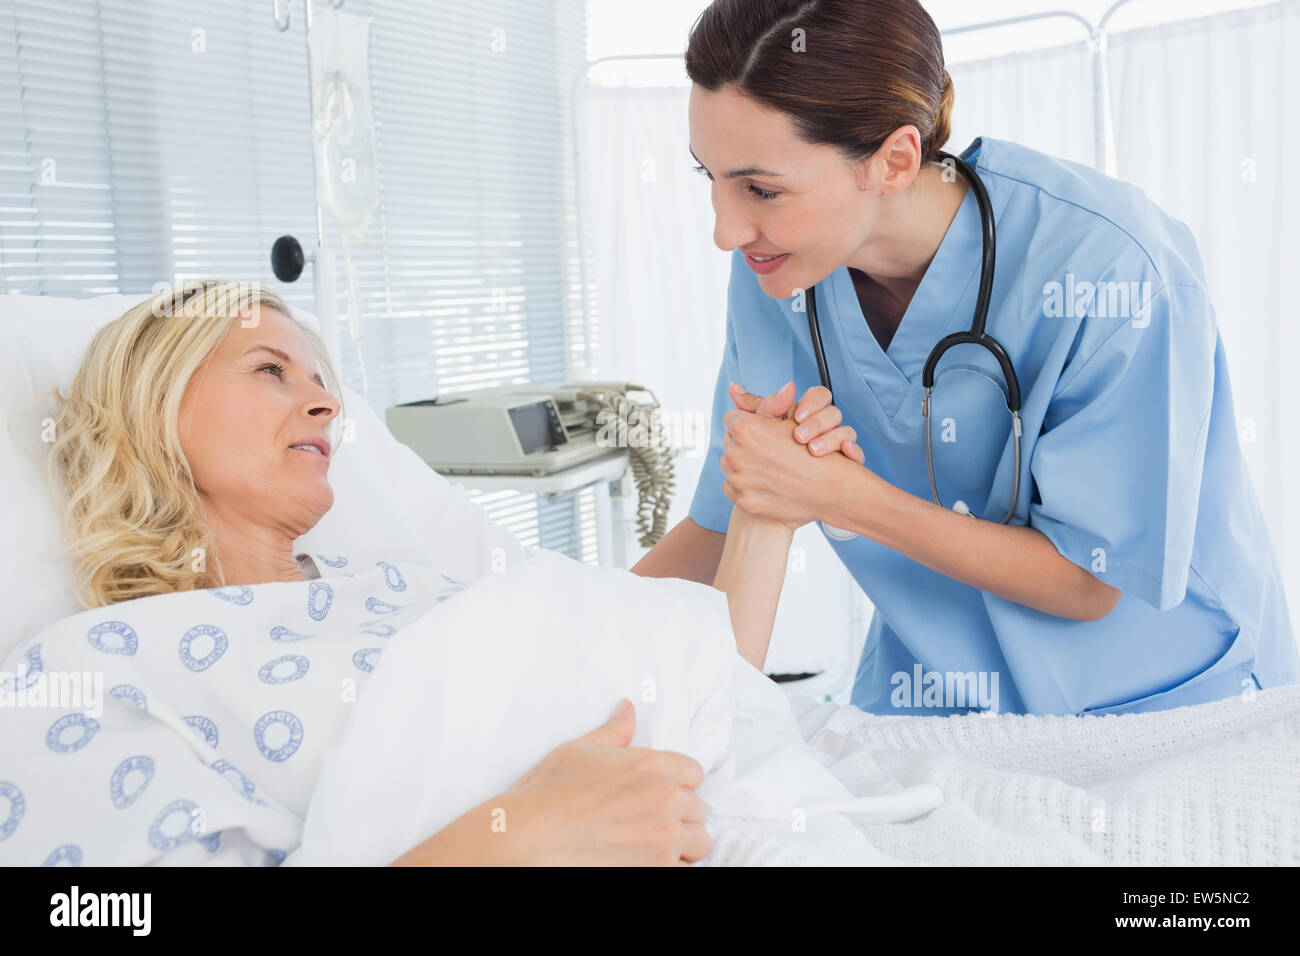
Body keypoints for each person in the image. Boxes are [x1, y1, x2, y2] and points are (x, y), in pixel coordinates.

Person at [632, 0, 1300, 717]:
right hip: (932, 699)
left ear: (893, 161)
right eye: (712, 179)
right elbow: (725, 518)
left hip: (1159, 703)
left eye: (761, 189)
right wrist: (554, 638)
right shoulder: (779, 267)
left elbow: (1088, 583)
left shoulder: (1111, 265)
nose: (726, 232)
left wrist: (837, 494)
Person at [45, 280, 813, 866]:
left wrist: (767, 511)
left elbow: (710, 696)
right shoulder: (93, 670)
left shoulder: (395, 585)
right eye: (271, 370)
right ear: (156, 408)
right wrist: (518, 841)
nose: (323, 403)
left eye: (321, 384)